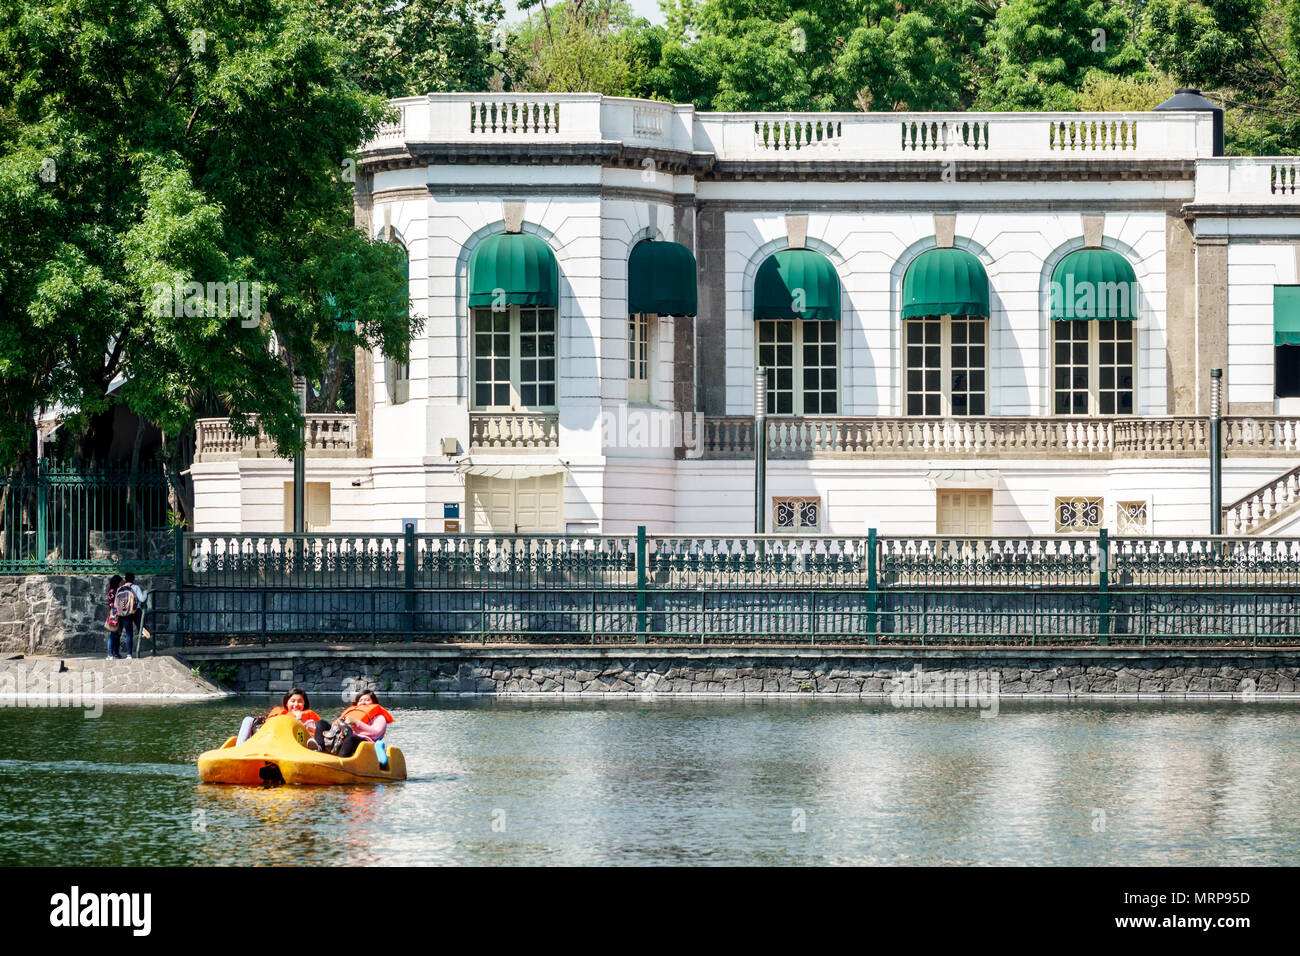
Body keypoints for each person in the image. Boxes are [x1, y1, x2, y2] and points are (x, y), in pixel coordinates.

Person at [311, 690, 394, 759]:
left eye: (367, 700)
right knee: (320, 723)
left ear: (374, 702)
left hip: (362, 742)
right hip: (341, 737)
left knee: (351, 736)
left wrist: (357, 722)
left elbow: (376, 733)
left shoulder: (379, 717)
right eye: (360, 701)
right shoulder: (352, 713)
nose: (363, 703)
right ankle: (319, 748)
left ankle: (340, 762)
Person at [235, 688, 322, 745]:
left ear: (304, 704)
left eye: (300, 701)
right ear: (287, 703)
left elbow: (321, 731)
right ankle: (238, 750)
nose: (296, 704)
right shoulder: (279, 711)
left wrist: (299, 718)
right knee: (248, 719)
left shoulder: (309, 714)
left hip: (298, 743)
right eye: (293, 701)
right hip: (271, 740)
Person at [105, 575, 124, 659]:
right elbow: (110, 604)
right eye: (121, 582)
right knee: (113, 634)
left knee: (117, 634)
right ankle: (110, 654)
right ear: (117, 582)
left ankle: (116, 653)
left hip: (118, 613)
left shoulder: (117, 591)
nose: (122, 583)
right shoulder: (113, 592)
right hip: (114, 614)